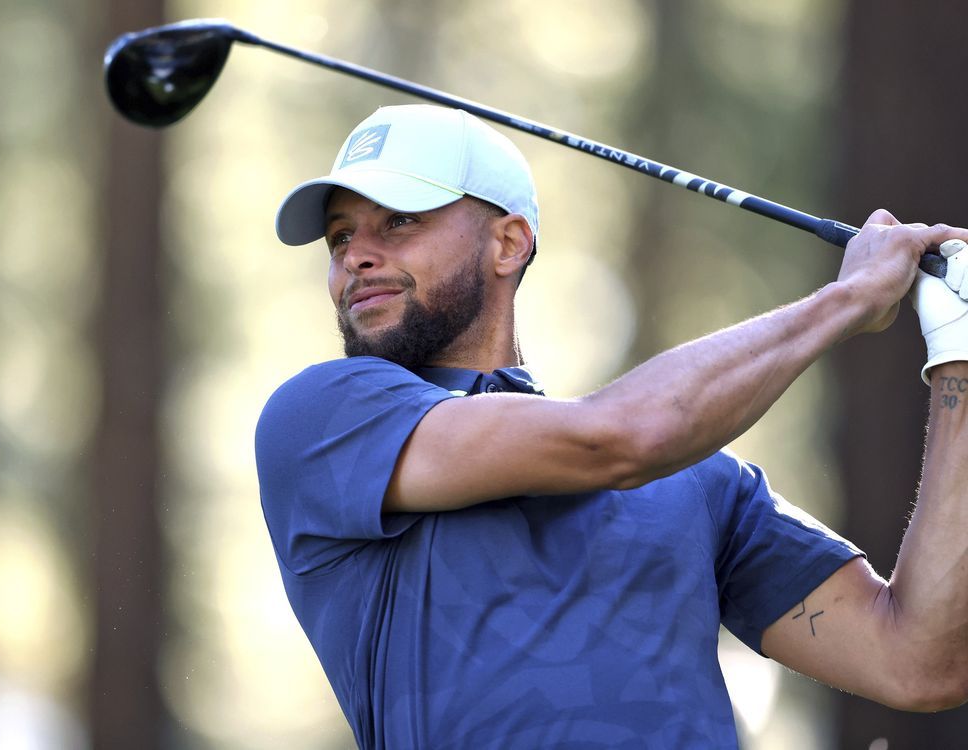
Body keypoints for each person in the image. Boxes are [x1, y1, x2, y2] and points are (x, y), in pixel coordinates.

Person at [254, 104, 968, 749]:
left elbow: (919, 661)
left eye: (400, 221)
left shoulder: (700, 482)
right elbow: (619, 437)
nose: (355, 256)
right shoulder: (323, 420)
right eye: (339, 237)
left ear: (509, 243)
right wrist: (848, 298)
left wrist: (957, 355)